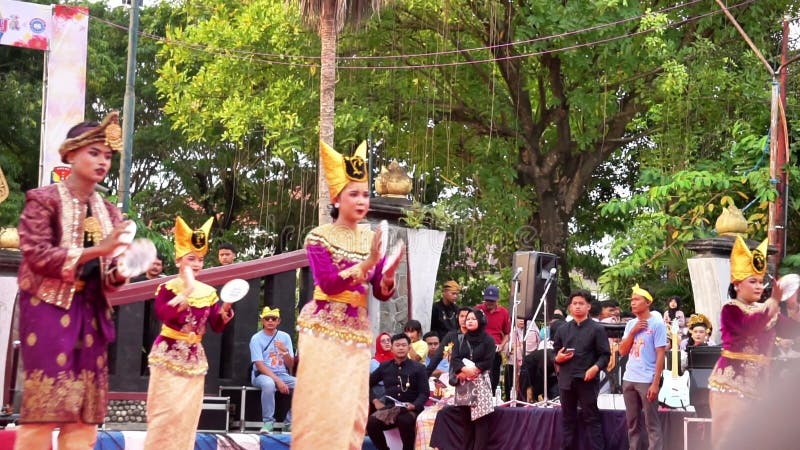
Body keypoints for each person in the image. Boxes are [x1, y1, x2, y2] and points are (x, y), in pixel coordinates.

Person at [15, 112, 132, 449]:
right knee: (45, 406)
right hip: (49, 306)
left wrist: (124, 269)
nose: (103, 162)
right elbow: (37, 255)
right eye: (94, 153)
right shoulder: (43, 200)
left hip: (91, 311)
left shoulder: (110, 211)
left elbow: (109, 278)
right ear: (70, 154)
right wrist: (96, 251)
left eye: (108, 156)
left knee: (85, 411)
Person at [291, 140, 403, 449]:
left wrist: (388, 276)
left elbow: (379, 290)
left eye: (366, 194)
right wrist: (368, 263)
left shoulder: (372, 237)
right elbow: (327, 283)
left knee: (351, 408)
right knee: (322, 405)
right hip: (324, 330)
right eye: (353, 194)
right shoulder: (319, 237)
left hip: (356, 332)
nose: (361, 200)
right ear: (337, 198)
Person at [143, 216, 234, 449]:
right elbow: (164, 314)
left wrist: (223, 313)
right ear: (178, 260)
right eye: (191, 258)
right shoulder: (167, 288)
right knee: (165, 412)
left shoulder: (209, 292)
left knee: (187, 415)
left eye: (200, 260)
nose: (196, 264)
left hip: (194, 358)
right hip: (168, 355)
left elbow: (214, 324)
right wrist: (184, 294)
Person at [707, 237, 800, 448]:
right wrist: (774, 301)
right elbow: (751, 326)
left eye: (761, 282)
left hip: (761, 387)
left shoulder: (768, 311)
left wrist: (793, 306)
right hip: (730, 385)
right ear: (737, 284)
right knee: (728, 442)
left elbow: (793, 331)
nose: (759, 287)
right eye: (753, 281)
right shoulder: (731, 309)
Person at [553, 291, 610, 450]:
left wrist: (595, 368)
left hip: (587, 379)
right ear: (570, 307)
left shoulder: (597, 329)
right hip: (566, 380)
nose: (577, 306)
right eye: (575, 303)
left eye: (581, 303)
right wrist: (557, 359)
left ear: (588, 306)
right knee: (567, 419)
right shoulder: (562, 329)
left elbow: (605, 355)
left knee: (591, 418)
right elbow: (554, 352)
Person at [619, 284, 667, 450]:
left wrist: (655, 383)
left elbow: (661, 353)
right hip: (629, 378)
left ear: (648, 302)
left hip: (647, 380)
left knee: (651, 423)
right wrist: (632, 332)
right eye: (631, 300)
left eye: (637, 299)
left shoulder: (657, 324)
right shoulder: (630, 323)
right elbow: (622, 351)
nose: (632, 303)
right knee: (632, 423)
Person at [367, 333, 429, 450]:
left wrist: (414, 405)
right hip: (391, 408)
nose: (401, 348)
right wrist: (375, 401)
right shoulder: (384, 366)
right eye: (397, 345)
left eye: (404, 345)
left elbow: (424, 393)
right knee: (371, 423)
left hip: (411, 408)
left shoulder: (418, 368)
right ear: (392, 348)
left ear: (409, 348)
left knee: (404, 420)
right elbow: (366, 384)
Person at [448, 309, 496, 450]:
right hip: (463, 383)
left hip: (480, 382)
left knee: (480, 421)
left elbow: (489, 360)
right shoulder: (460, 339)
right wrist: (463, 370)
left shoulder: (488, 340)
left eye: (473, 319)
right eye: (468, 318)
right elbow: (455, 359)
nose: (469, 321)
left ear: (480, 321)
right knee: (466, 422)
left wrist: (474, 371)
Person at [249, 306, 295, 434]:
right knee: (269, 384)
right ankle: (268, 422)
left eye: (273, 318)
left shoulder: (285, 337)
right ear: (262, 321)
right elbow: (259, 365)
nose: (270, 321)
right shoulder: (256, 339)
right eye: (267, 318)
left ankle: (289, 422)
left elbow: (290, 364)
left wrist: (285, 351)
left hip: (282, 373)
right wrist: (278, 381)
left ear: (278, 321)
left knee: (305, 386)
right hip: (262, 374)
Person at [475, 285, 510, 392]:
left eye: (492, 301)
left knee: (494, 376)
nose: (489, 303)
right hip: (479, 347)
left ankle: (493, 397)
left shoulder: (504, 312)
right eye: (487, 300)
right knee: (478, 374)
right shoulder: (478, 310)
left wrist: (502, 346)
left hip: (495, 349)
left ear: (497, 300)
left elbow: (507, 334)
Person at [426, 306, 471, 377]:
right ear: (457, 317)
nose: (464, 319)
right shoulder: (451, 336)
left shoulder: (478, 336)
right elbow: (438, 355)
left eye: (467, 316)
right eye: (461, 316)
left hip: (473, 373)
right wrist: (425, 375)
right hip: (456, 374)